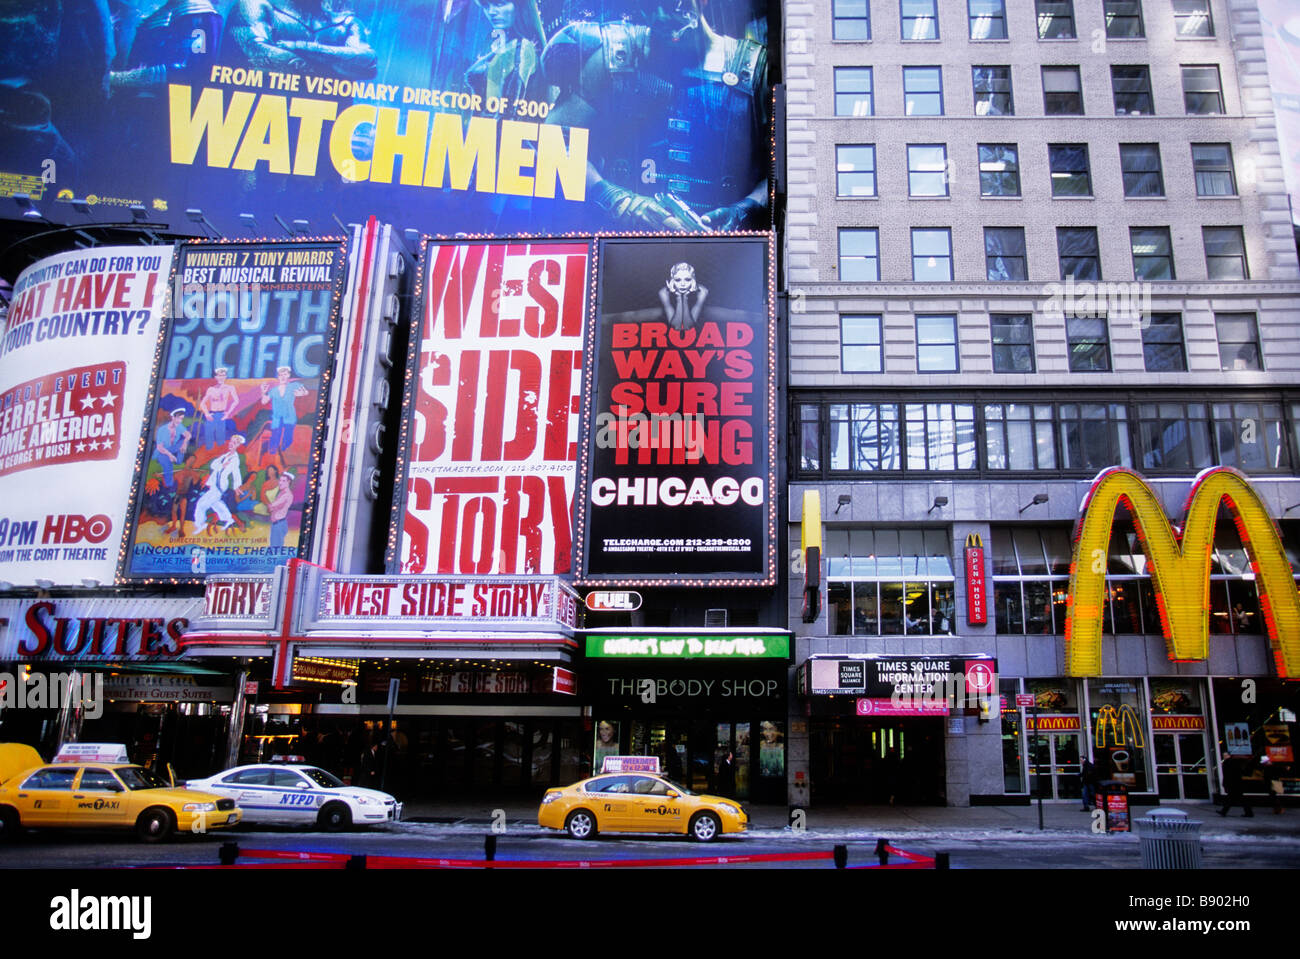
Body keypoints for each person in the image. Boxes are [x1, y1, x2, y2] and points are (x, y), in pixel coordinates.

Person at [542, 0, 768, 232]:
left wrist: (745, 209)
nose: (662, 14)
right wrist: (619, 202)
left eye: (673, 4)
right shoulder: (615, 56)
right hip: (625, 246)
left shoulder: (754, 68)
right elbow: (554, 142)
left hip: (727, 251)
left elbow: (782, 169)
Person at [464, 0, 547, 104]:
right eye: (486, 6)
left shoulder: (523, 49)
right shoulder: (502, 46)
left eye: (499, 4)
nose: (491, 12)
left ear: (520, 6)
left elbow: (510, 108)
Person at [194, 433, 246, 532]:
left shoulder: (235, 459)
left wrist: (236, 486)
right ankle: (229, 519)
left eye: (235, 443)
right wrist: (221, 465)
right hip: (214, 484)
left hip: (220, 485)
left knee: (201, 504)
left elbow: (236, 473)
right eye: (231, 441)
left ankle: (199, 524)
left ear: (238, 446)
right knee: (216, 503)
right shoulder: (225, 456)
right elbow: (213, 465)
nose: (231, 444)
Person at [260, 367, 309, 469]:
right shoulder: (273, 390)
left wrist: (301, 393)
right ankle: (271, 463)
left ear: (288, 375)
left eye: (285, 374)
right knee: (274, 439)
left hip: (289, 417)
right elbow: (264, 401)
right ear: (278, 376)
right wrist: (263, 392)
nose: (283, 377)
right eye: (281, 375)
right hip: (277, 419)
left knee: (287, 439)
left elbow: (305, 392)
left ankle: (285, 463)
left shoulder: (293, 386)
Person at [657, 262, 708, 331]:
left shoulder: (702, 292)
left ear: (693, 280)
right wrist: (680, 298)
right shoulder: (664, 293)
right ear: (672, 280)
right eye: (678, 280)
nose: (683, 284)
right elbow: (677, 325)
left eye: (687, 279)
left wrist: (697, 301)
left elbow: (688, 325)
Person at [198, 368, 241, 449]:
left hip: (221, 415)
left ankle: (219, 456)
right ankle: (208, 455)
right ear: (216, 377)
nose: (221, 377)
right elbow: (202, 403)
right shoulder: (211, 389)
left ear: (226, 377)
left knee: (220, 438)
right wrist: (207, 414)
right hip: (212, 414)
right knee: (209, 437)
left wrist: (228, 413)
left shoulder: (230, 388)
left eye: (223, 375)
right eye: (219, 375)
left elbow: (236, 401)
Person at [153, 405, 193, 490]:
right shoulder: (162, 430)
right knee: (167, 464)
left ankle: (178, 461)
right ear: (173, 417)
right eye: (178, 418)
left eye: (181, 419)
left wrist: (185, 443)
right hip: (162, 451)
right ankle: (169, 485)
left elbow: (188, 435)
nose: (179, 421)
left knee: (183, 441)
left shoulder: (179, 426)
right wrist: (170, 455)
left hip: (172, 448)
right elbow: (160, 447)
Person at [268, 469, 296, 549]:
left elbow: (272, 506)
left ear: (288, 482)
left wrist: (270, 506)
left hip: (279, 524)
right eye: (280, 480)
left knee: (276, 549)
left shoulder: (287, 494)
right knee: (274, 547)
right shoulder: (281, 493)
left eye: (283, 481)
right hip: (276, 524)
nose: (280, 483)